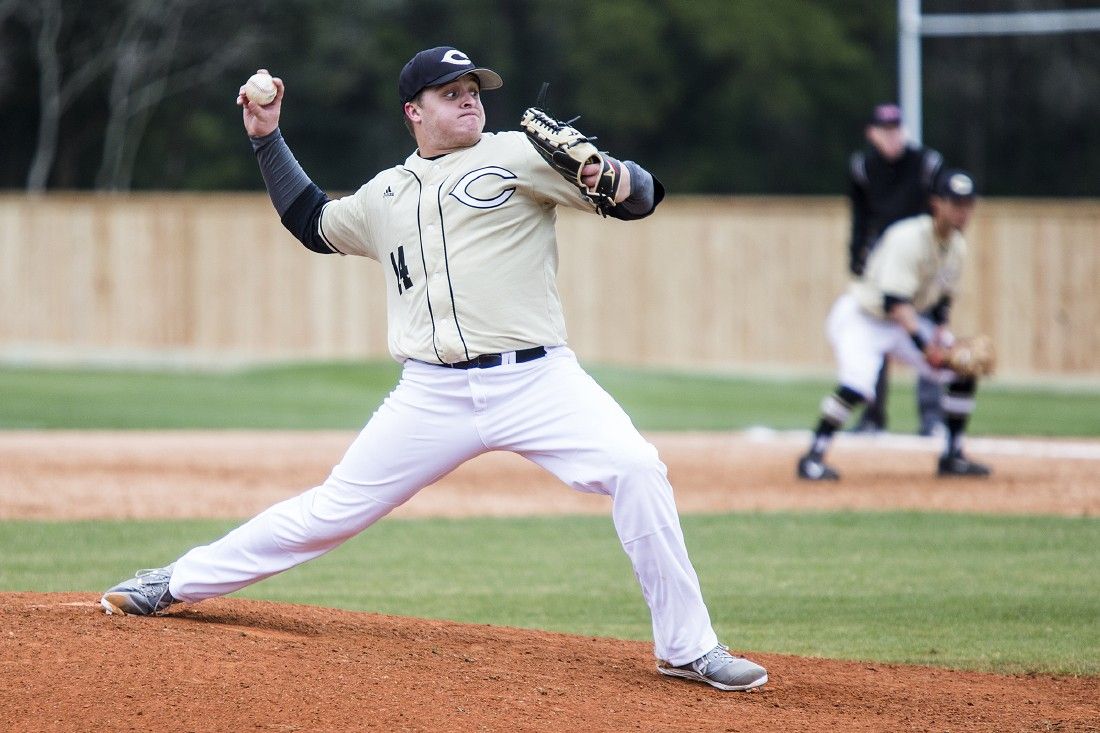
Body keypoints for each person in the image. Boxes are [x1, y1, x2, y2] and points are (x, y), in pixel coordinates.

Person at [99, 46, 768, 693]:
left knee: (637, 467)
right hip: (431, 393)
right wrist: (267, 137)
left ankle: (688, 648)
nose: (469, 100)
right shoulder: (387, 191)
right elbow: (313, 221)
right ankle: (176, 581)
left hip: (537, 380)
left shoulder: (518, 154)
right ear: (413, 111)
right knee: (330, 511)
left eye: (474, 90)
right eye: (451, 93)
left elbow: (640, 198)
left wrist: (612, 177)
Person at [796, 168, 991, 481]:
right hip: (863, 318)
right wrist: (925, 347)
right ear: (936, 203)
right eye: (955, 203)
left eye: (968, 204)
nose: (963, 211)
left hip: (903, 323)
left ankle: (952, 455)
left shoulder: (957, 247)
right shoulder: (908, 238)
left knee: (961, 366)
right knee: (858, 384)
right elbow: (894, 303)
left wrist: (941, 333)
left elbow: (941, 299)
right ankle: (812, 458)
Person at [847, 103, 946, 437]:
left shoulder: (925, 164)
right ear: (872, 134)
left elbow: (942, 211)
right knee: (874, 337)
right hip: (881, 262)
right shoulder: (863, 167)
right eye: (885, 130)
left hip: (920, 260)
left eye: (897, 129)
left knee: (927, 332)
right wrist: (856, 258)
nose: (893, 136)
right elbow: (861, 217)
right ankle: (873, 416)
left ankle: (931, 417)